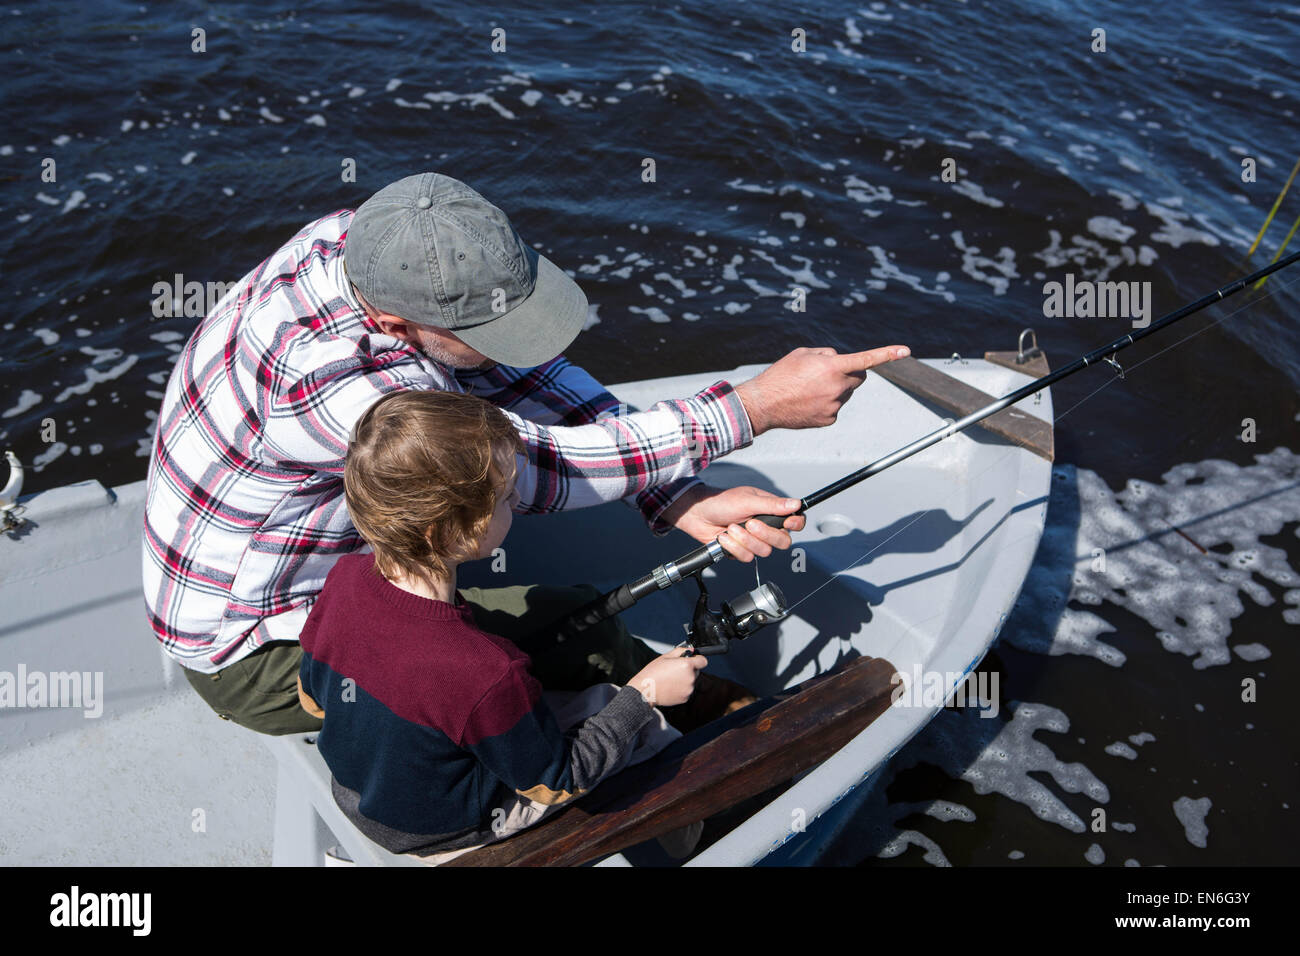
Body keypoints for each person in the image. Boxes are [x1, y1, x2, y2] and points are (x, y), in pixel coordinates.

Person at [142, 170, 909, 734]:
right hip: (261, 642)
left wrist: (671, 493)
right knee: (508, 676)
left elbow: (512, 367)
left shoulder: (368, 245)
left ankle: (649, 707)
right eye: (479, 333)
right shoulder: (331, 384)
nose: (500, 345)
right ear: (394, 324)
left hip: (327, 576)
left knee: (571, 618)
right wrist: (753, 408)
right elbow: (518, 469)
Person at [297, 389, 704, 861]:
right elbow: (557, 780)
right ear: (451, 529)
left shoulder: (344, 579)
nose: (514, 506)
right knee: (641, 724)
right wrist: (644, 693)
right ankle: (702, 844)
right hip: (442, 831)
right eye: (506, 497)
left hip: (354, 796)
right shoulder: (486, 670)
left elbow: (314, 700)